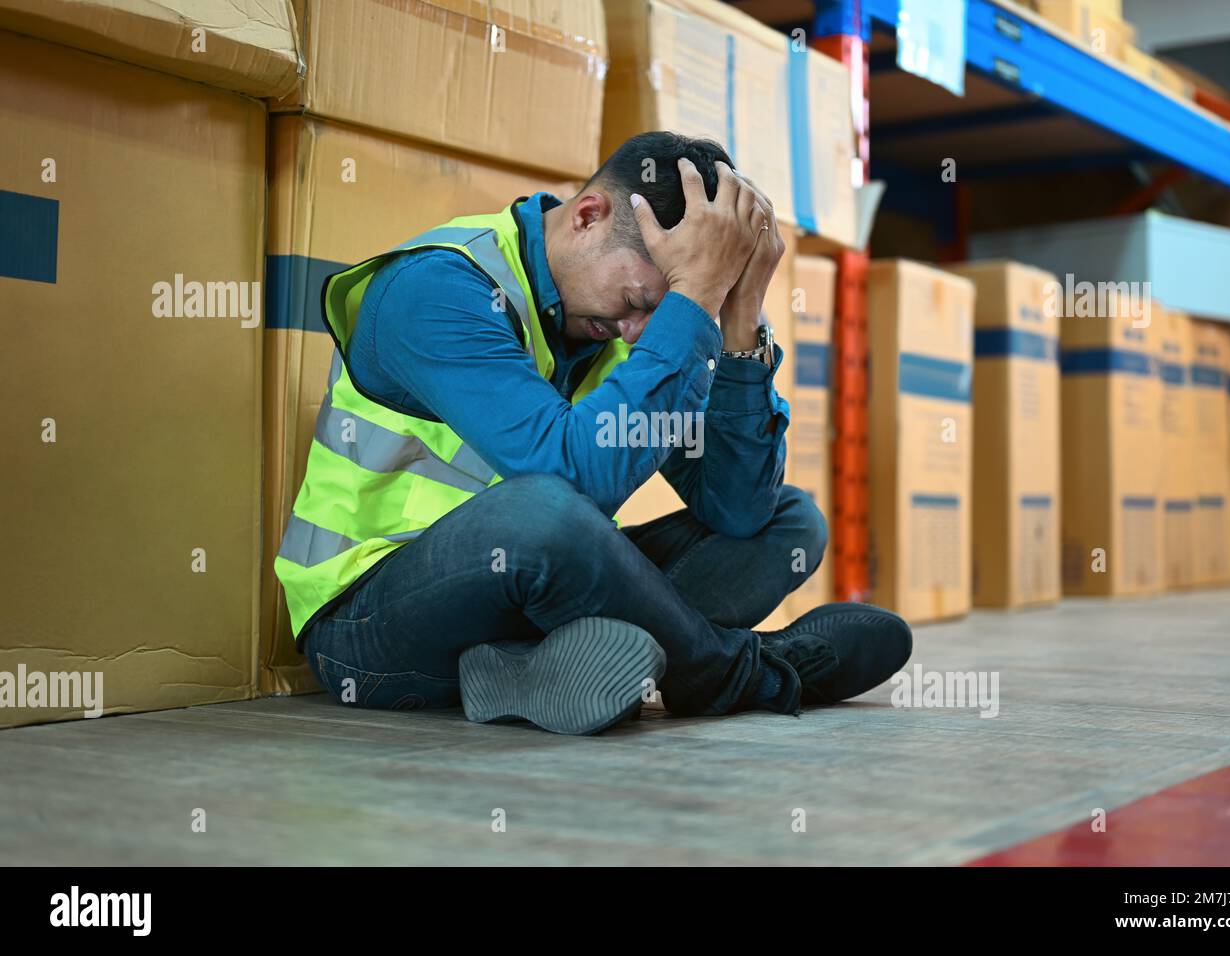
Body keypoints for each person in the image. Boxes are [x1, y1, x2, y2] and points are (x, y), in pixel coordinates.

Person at [275, 131, 912, 735]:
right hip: (367, 622)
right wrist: (690, 305)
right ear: (588, 216)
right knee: (544, 509)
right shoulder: (438, 288)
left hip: (526, 590)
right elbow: (568, 476)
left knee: (788, 520)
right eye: (640, 301)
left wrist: (739, 322)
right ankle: (737, 672)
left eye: (667, 312)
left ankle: (525, 668)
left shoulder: (609, 321)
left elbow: (738, 509)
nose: (642, 331)